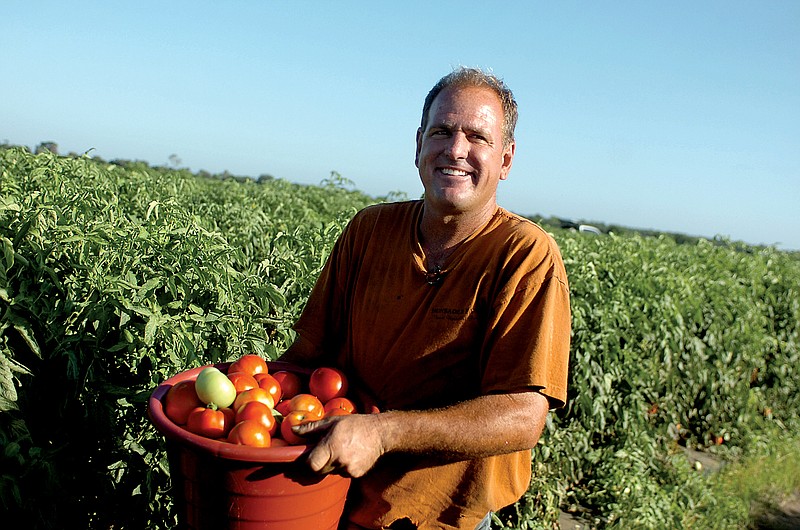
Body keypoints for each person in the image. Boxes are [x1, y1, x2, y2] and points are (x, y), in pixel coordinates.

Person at [278, 66, 571, 530]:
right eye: (442, 131)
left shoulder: (524, 255)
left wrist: (383, 433)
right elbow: (307, 356)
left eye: (478, 137)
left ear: (506, 159)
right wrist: (246, 393)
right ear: (418, 144)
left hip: (439, 517)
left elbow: (522, 414)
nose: (456, 150)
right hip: (332, 496)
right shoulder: (369, 230)